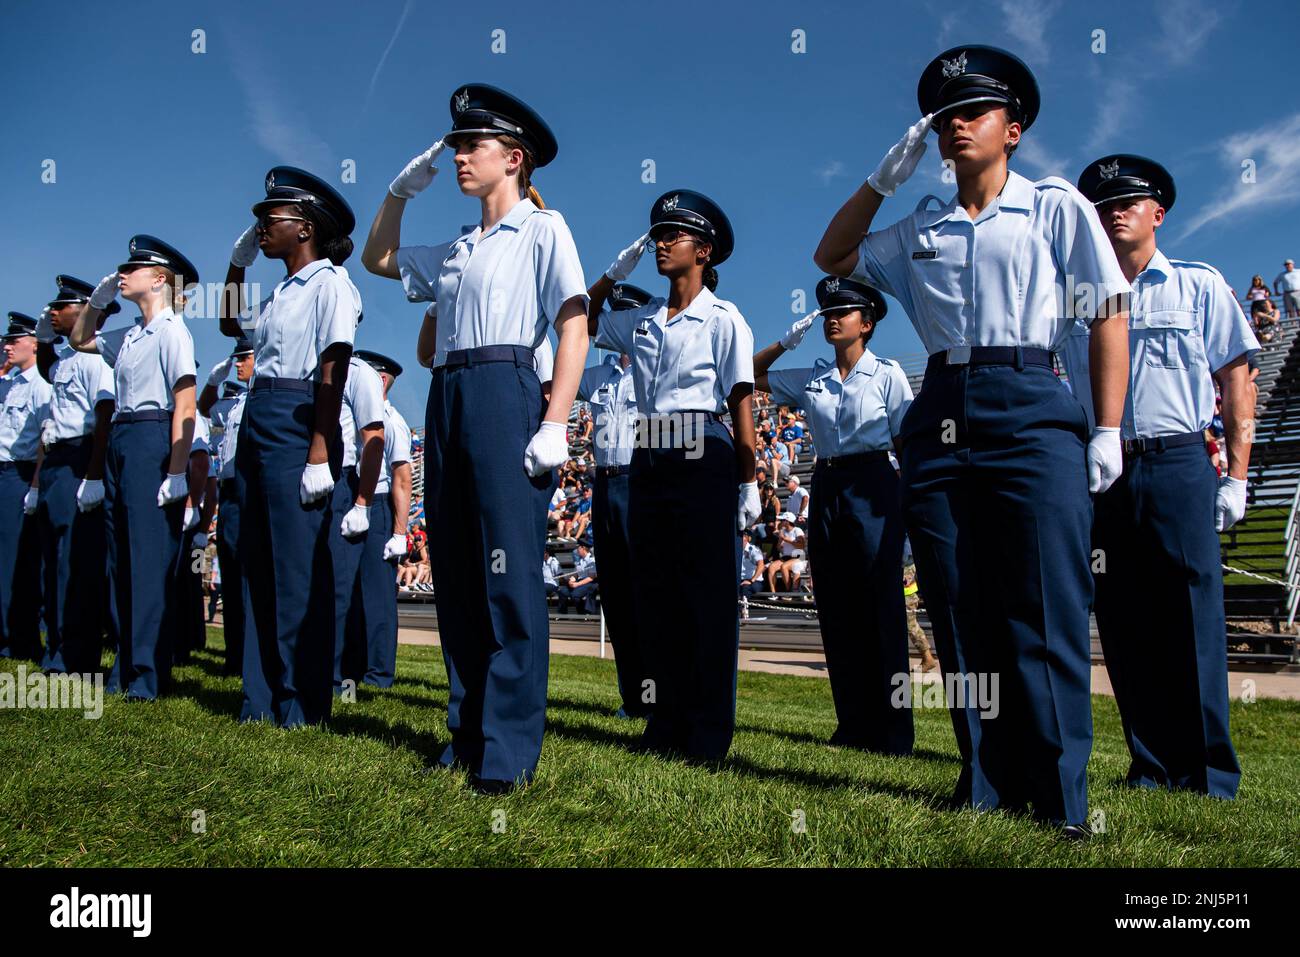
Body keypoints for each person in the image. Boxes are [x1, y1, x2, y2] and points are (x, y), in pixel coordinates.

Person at [814, 45, 1131, 837]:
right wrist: (883, 179)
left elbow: (1107, 314)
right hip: (942, 403)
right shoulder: (918, 224)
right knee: (956, 604)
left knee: (1046, 597)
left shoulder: (1054, 206)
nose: (956, 124)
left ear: (1012, 129)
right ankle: (984, 776)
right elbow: (833, 255)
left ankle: (1061, 796)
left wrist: (1108, 429)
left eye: (974, 111)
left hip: (1029, 394)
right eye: (945, 115)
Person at [362, 84, 589, 792]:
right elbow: (377, 259)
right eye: (456, 145)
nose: (459, 156)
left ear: (513, 157)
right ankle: (465, 732)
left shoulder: (545, 229)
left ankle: (509, 749)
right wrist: (399, 193)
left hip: (505, 385)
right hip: (450, 392)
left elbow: (574, 323)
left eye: (473, 145)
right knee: (458, 571)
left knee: (508, 575)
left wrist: (556, 420)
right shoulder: (459, 246)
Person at [1073, 154, 1257, 799]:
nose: (1115, 210)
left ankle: (1208, 772)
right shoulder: (1073, 295)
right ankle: (1148, 764)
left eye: (1130, 200)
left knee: (1191, 616)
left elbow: (1236, 378)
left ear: (1159, 213)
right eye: (1103, 203)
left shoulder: (1198, 285)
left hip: (1177, 459)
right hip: (1101, 468)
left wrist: (1235, 475)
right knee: (1122, 619)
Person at [588, 189, 757, 762]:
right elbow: (580, 318)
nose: (661, 242)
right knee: (654, 593)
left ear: (704, 251)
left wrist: (749, 481)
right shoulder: (641, 321)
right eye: (657, 233)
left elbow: (739, 400)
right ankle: (666, 724)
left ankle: (708, 733)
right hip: (647, 446)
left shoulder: (724, 318)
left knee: (704, 594)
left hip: (699, 444)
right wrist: (614, 274)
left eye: (673, 235)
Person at [219, 167, 359, 727]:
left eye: (268, 219)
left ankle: (301, 701)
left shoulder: (331, 284)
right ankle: (261, 698)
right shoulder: (279, 292)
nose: (260, 228)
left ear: (304, 228)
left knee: (296, 565)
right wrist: (238, 264)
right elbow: (231, 321)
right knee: (257, 559)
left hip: (299, 416)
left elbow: (334, 370)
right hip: (260, 415)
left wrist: (320, 452)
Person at [755, 276, 915, 754]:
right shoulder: (813, 378)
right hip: (827, 484)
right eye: (827, 312)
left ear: (866, 324)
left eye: (842, 313)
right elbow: (745, 375)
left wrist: (911, 505)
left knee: (881, 608)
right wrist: (786, 341)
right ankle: (852, 724)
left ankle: (892, 732)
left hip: (874, 481)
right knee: (838, 609)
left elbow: (905, 442)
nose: (831, 319)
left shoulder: (887, 374)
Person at [69, 235, 201, 700]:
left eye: (132, 269)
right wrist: (97, 301)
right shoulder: (128, 335)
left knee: (146, 562)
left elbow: (185, 401)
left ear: (159, 278)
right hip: (123, 437)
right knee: (120, 558)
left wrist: (177, 470)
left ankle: (147, 673)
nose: (121, 275)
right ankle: (125, 666)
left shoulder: (171, 330)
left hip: (151, 435)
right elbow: (79, 338)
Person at [33, 277, 117, 674]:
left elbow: (104, 417)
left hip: (80, 458)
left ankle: (76, 654)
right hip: (55, 461)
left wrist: (94, 473)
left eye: (60, 306)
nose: (52, 310)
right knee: (52, 559)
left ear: (84, 310)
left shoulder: (95, 358)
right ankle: (54, 649)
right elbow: (46, 364)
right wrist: (45, 336)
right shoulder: (67, 358)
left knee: (75, 562)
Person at [577, 283, 652, 717]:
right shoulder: (598, 377)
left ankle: (657, 693)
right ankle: (634, 698)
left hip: (639, 479)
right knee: (618, 597)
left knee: (645, 592)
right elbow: (560, 361)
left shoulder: (653, 370)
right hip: (604, 485)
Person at [346, 350, 413, 688]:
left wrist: (399, 532)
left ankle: (378, 673)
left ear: (381, 379)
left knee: (376, 596)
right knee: (353, 591)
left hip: (380, 505)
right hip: (356, 497)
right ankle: (353, 667)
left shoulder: (392, 421)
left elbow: (402, 477)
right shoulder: (358, 414)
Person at [327, 350, 385, 695]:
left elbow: (375, 445)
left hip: (346, 482)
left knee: (341, 590)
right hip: (313, 475)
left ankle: (340, 681)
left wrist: (362, 502)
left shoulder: (358, 374)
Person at [198, 340, 254, 675]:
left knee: (250, 574)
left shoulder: (260, 396)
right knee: (231, 572)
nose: (238, 364)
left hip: (251, 488)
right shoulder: (231, 405)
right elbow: (206, 408)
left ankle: (251, 655)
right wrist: (212, 381)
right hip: (229, 489)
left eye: (243, 358)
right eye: (235, 359)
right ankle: (235, 655)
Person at [0, 313, 52, 662]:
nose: (6, 345)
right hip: (4, 474)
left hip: (19, 476)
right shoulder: (11, 384)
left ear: (34, 343)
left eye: (13, 340)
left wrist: (34, 485)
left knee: (16, 562)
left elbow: (44, 443)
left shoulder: (41, 386)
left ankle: (18, 639)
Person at [556, 542, 597, 614]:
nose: (577, 550)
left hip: (589, 582)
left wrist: (577, 584)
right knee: (562, 591)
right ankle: (562, 614)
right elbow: (576, 574)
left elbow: (591, 577)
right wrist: (571, 581)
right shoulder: (579, 561)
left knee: (575, 594)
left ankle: (583, 613)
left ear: (583, 548)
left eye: (578, 547)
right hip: (580, 581)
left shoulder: (592, 560)